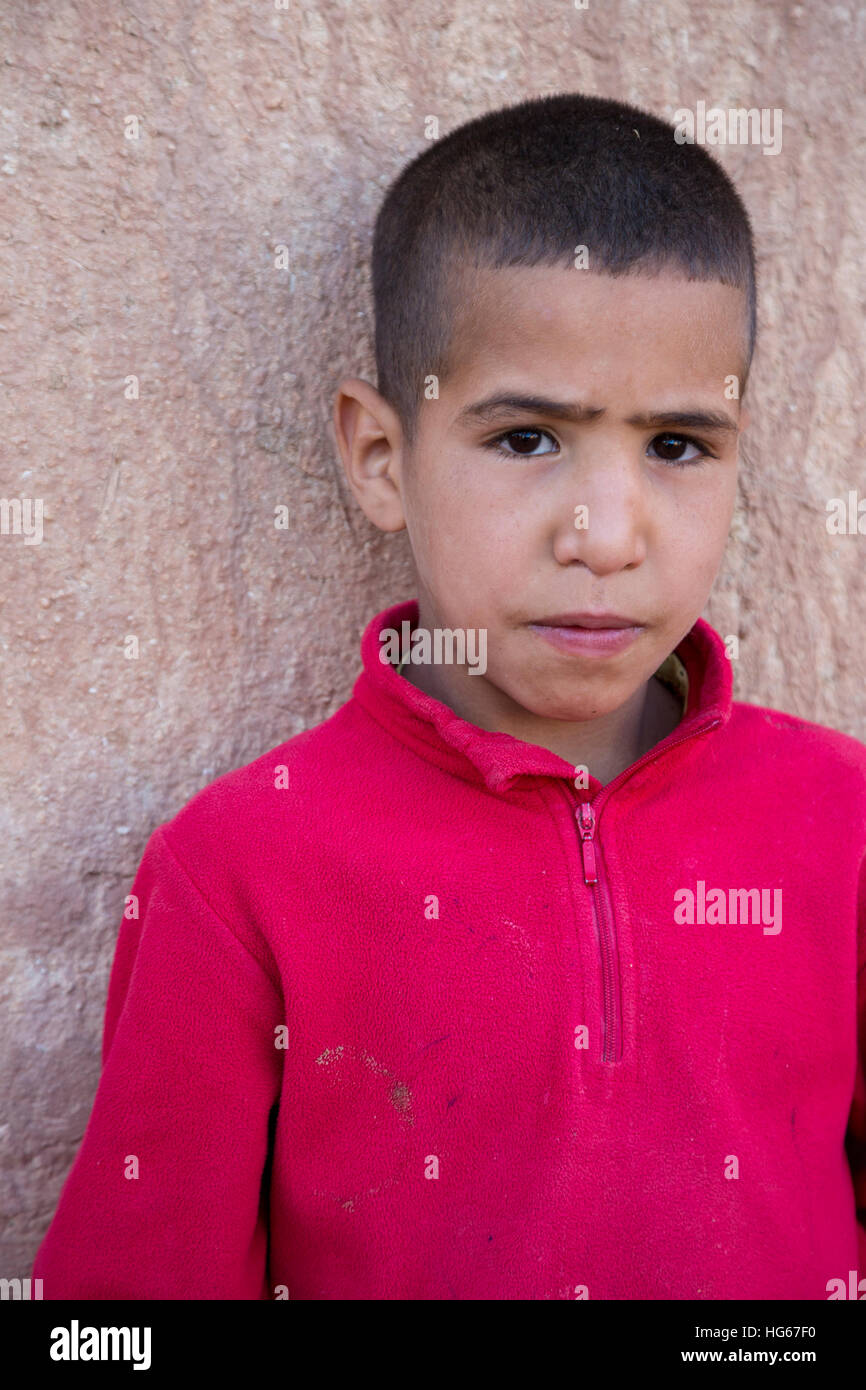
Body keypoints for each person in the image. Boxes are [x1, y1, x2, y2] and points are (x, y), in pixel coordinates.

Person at [33, 92, 866, 1300]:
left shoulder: (836, 824)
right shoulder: (239, 873)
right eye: (528, 438)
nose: (606, 534)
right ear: (381, 460)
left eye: (677, 446)